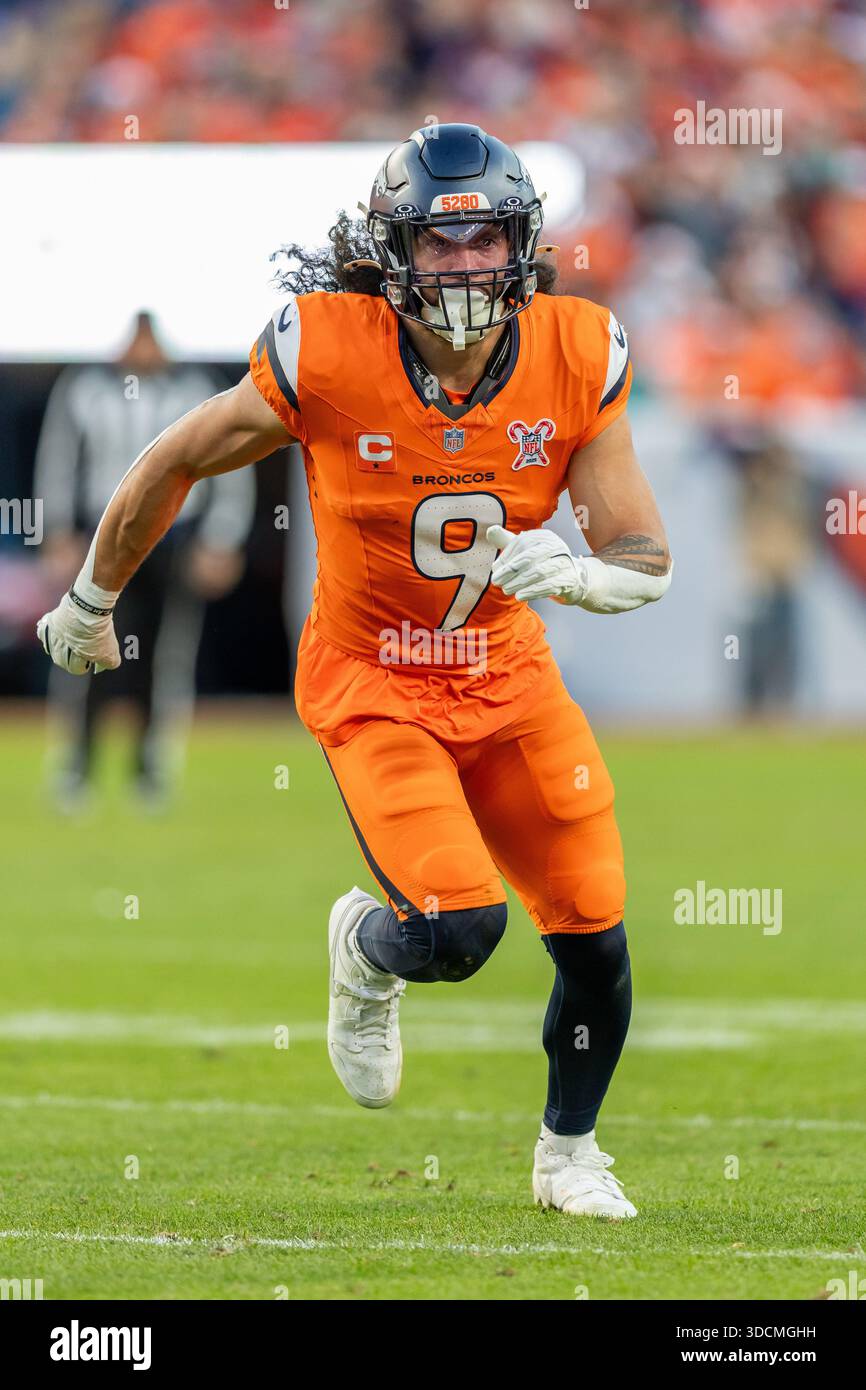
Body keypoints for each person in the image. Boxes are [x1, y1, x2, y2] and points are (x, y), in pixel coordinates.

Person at [36, 125, 672, 1218]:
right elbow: (177, 454)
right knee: (456, 929)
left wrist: (573, 572)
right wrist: (91, 598)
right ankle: (365, 949)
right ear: (391, 254)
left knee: (596, 934)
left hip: (508, 678)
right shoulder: (326, 352)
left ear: (523, 244)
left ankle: (568, 1153)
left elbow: (641, 555)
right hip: (375, 681)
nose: (467, 263)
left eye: (486, 238)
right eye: (440, 241)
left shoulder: (577, 351)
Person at [34, 311, 254, 807]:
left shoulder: (196, 386)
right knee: (80, 643)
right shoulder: (84, 388)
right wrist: (56, 533)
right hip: (100, 531)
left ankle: (152, 768)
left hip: (174, 536)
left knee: (168, 653)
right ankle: (75, 765)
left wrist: (221, 537)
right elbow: (58, 461)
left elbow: (233, 459)